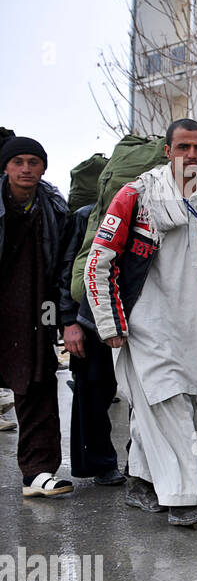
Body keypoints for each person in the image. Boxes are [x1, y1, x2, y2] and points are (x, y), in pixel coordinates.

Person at [85, 119, 197, 526]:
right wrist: (111, 323)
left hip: (186, 325)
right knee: (168, 404)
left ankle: (140, 482)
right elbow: (98, 261)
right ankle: (183, 500)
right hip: (142, 322)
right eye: (183, 147)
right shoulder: (136, 195)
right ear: (167, 151)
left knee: (169, 402)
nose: (191, 155)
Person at [0, 137, 73, 497]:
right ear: (6, 167)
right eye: (18, 162)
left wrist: (61, 313)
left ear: (43, 167)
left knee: (40, 381)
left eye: (34, 162)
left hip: (37, 307)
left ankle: (38, 473)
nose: (26, 169)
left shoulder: (55, 207)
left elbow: (63, 263)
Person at [59, 200, 124, 486]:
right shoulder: (87, 216)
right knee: (93, 391)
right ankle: (99, 463)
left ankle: (141, 463)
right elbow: (67, 270)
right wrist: (69, 322)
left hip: (132, 314)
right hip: (89, 316)